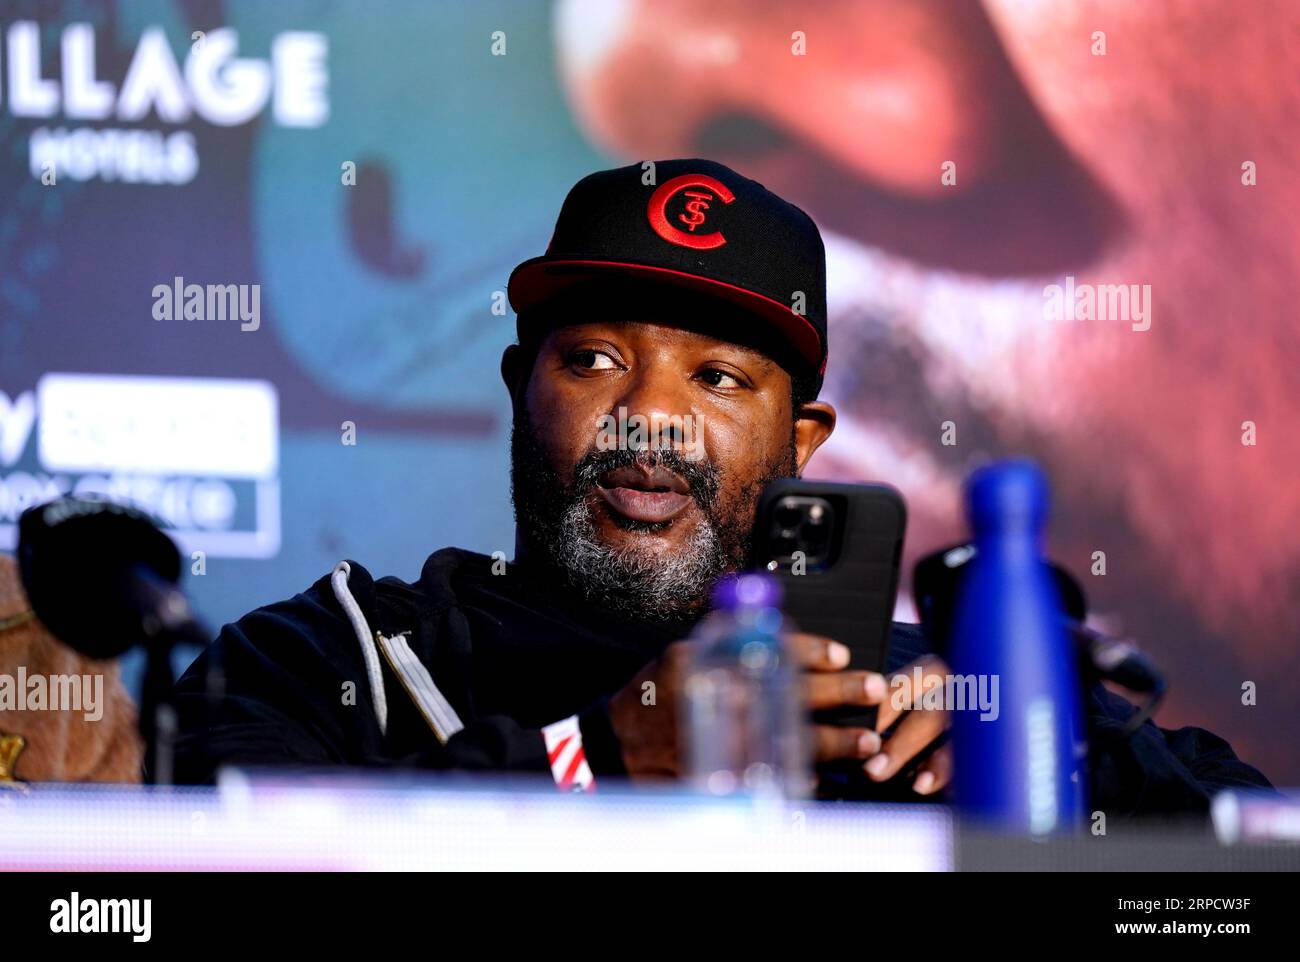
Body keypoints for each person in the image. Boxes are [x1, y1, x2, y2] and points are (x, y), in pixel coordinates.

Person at [173, 158, 1271, 816]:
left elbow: (1244, 836)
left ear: (800, 440)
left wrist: (1042, 758)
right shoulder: (348, 654)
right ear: (523, 386)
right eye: (595, 358)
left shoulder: (901, 695)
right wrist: (601, 756)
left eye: (716, 376)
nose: (650, 414)